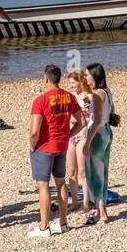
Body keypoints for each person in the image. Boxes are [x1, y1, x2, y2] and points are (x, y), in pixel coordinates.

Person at [27, 65, 84, 238]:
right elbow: (81, 122)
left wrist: (32, 145)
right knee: (61, 183)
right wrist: (67, 135)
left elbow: (34, 131)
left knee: (43, 185)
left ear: (45, 79)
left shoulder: (41, 100)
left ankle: (44, 227)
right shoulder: (69, 97)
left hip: (44, 146)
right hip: (61, 146)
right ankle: (63, 222)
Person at [82, 63, 115, 225]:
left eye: (87, 75)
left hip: (97, 134)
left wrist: (87, 141)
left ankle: (101, 213)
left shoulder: (96, 94)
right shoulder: (107, 91)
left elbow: (95, 121)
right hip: (107, 131)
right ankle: (102, 210)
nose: (85, 77)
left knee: (95, 174)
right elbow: (111, 110)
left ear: (94, 76)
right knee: (103, 171)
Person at [65, 70, 94, 209]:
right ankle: (75, 201)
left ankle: (85, 203)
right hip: (72, 136)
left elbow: (89, 117)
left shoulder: (86, 98)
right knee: (71, 171)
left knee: (82, 171)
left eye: (73, 83)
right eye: (70, 83)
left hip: (82, 135)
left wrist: (74, 120)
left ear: (81, 82)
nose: (71, 86)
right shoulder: (71, 97)